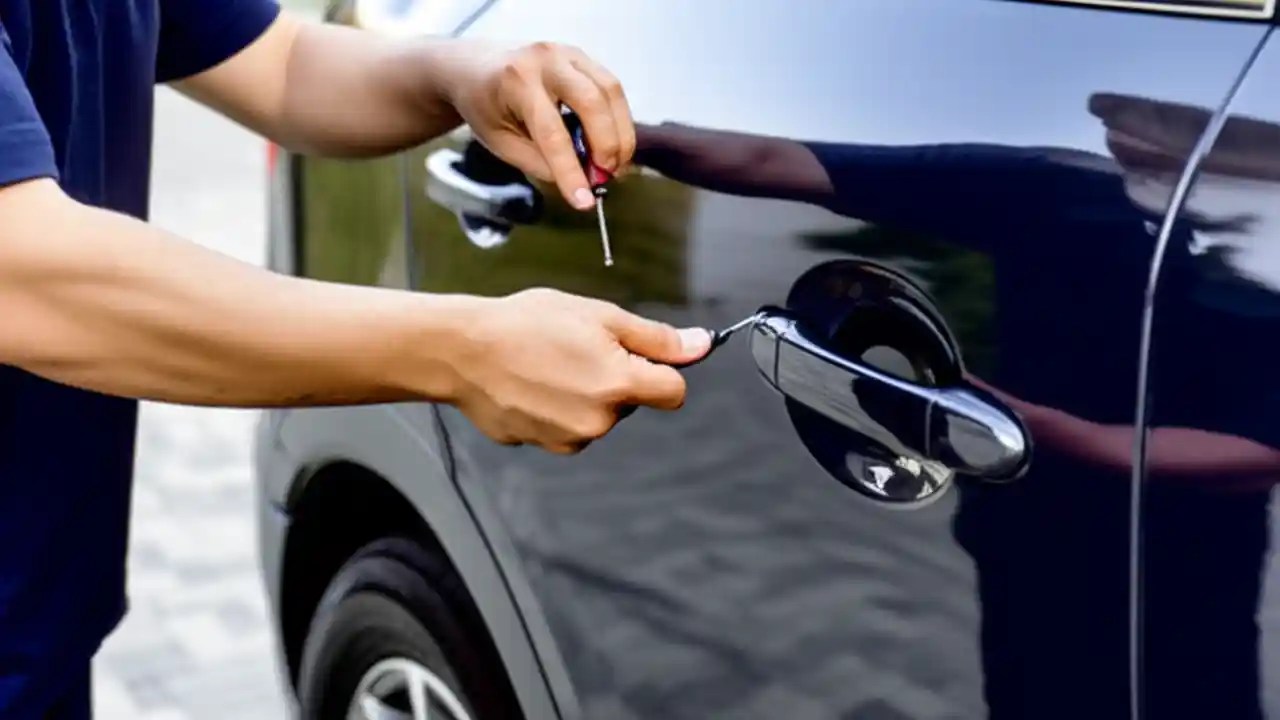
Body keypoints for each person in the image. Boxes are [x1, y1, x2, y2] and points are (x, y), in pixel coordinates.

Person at [0, 1, 713, 717]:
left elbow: (278, 63)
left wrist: (456, 74)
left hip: (42, 625)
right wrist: (460, 353)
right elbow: (23, 272)